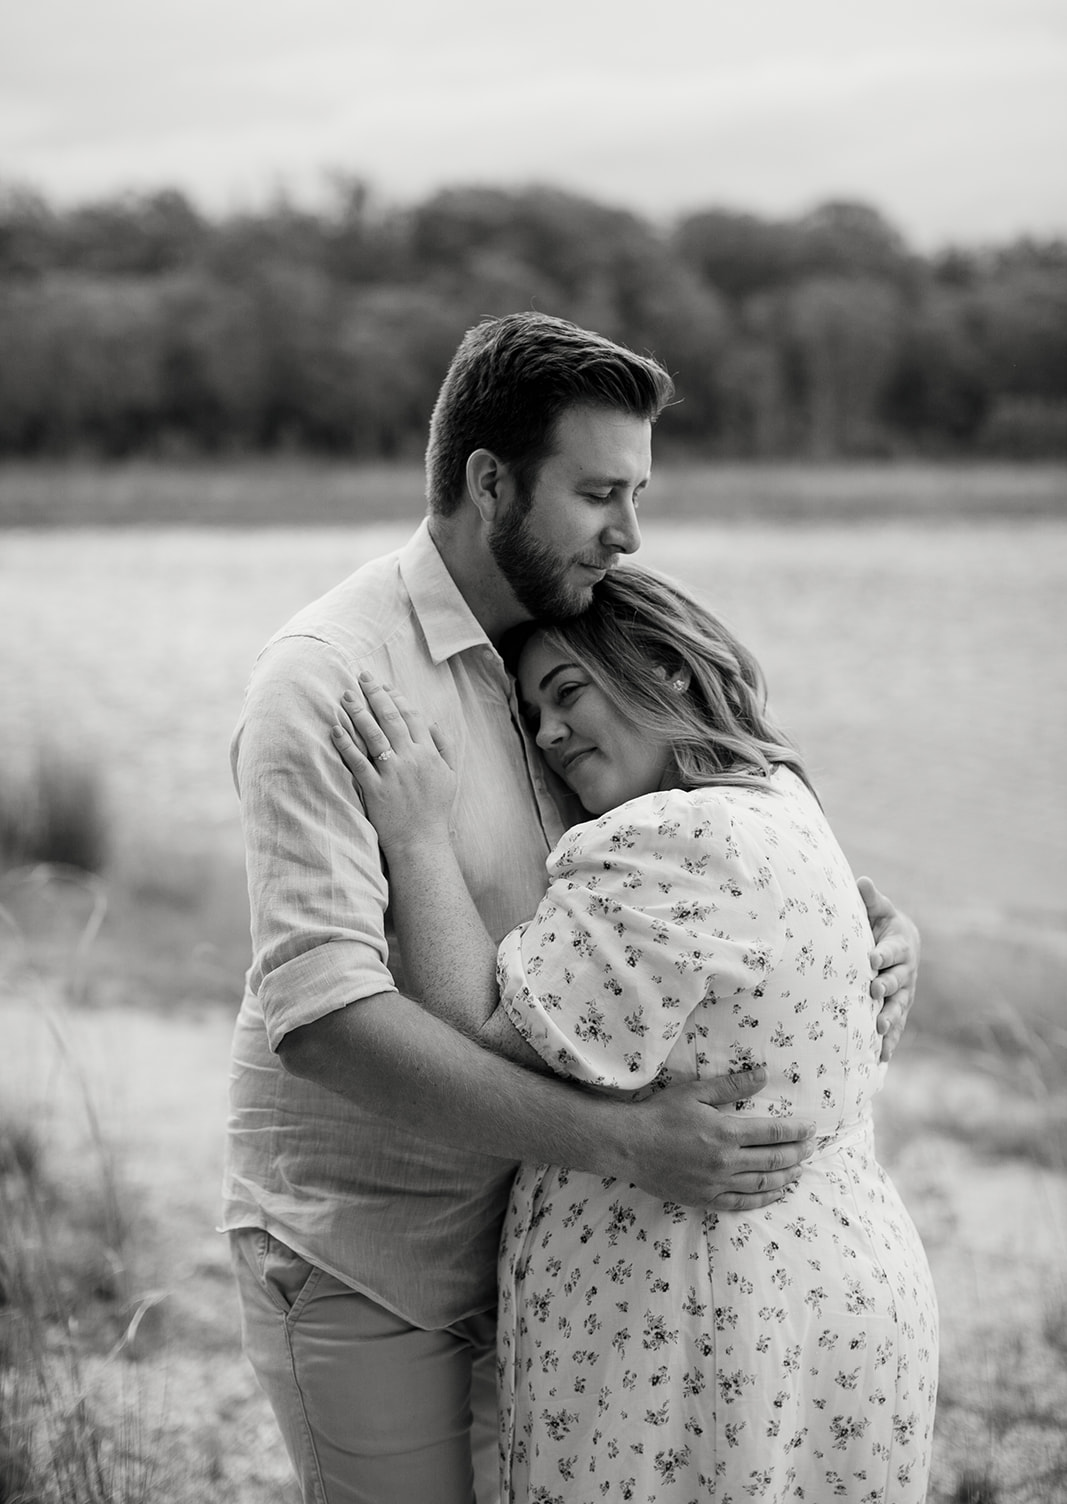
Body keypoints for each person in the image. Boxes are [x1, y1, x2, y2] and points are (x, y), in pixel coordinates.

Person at [222, 312, 919, 1504]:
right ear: (489, 483)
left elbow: (709, 871)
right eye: (598, 493)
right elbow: (324, 1019)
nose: (628, 531)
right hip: (371, 1254)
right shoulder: (331, 679)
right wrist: (626, 1143)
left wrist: (861, 941)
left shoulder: (584, 659)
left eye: (635, 493)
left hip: (558, 1258)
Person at [332, 562, 938, 1504]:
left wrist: (414, 832)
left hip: (700, 1320)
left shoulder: (672, 835)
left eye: (567, 691)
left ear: (665, 668)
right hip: (841, 1290)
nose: (549, 732)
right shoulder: (781, 795)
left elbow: (479, 1025)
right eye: (532, 715)